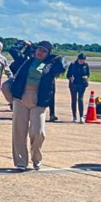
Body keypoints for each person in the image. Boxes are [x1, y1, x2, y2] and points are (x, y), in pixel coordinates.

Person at [8, 41, 66, 170]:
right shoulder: (26, 60)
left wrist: (51, 58)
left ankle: (36, 157)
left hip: (38, 100)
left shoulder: (50, 65)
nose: (40, 52)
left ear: (48, 54)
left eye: (44, 51)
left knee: (38, 132)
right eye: (39, 49)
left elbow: (62, 65)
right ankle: (21, 162)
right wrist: (23, 43)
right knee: (19, 132)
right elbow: (12, 50)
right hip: (21, 97)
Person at [67, 54, 91, 122]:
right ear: (78, 59)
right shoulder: (73, 64)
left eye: (83, 60)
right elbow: (68, 74)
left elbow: (88, 73)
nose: (81, 61)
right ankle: (74, 116)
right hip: (73, 84)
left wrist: (86, 77)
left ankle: (81, 116)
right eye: (80, 60)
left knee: (80, 99)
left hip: (82, 84)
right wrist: (70, 77)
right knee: (73, 100)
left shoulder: (86, 65)